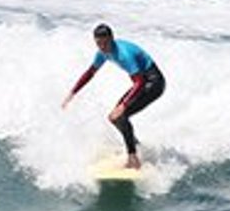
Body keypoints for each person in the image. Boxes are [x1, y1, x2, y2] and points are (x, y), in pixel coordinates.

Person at [62, 23, 166, 170]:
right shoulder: (102, 53)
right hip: (142, 83)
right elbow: (90, 73)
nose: (103, 47)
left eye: (105, 43)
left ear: (112, 39)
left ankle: (133, 158)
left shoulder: (124, 54)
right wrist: (72, 93)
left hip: (153, 83)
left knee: (119, 115)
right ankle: (136, 148)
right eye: (99, 44)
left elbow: (140, 81)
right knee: (114, 117)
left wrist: (124, 105)